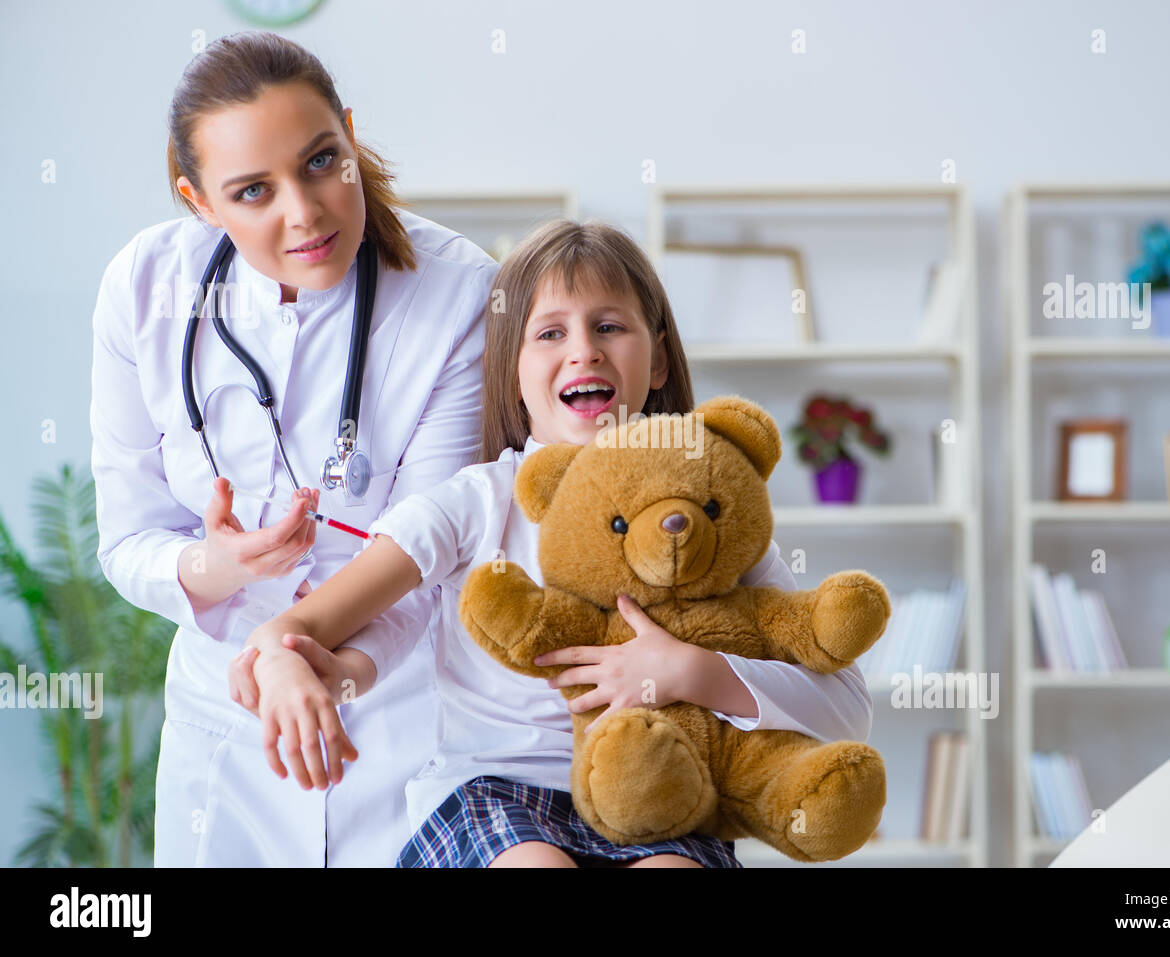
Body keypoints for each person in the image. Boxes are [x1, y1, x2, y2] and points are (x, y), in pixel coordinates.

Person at [230, 220, 875, 867]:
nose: (584, 351)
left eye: (609, 326)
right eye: (550, 332)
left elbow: (847, 713)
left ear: (658, 362)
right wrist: (285, 661)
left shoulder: (711, 523)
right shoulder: (476, 503)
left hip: (657, 796)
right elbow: (302, 626)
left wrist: (690, 671)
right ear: (512, 373)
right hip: (494, 793)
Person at [90, 31, 498, 866]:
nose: (304, 213)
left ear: (349, 134)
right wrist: (223, 568)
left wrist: (319, 670)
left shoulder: (460, 290)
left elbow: (433, 552)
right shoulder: (143, 289)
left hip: (403, 720)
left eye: (321, 161)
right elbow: (128, 542)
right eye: (252, 191)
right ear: (198, 200)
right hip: (223, 726)